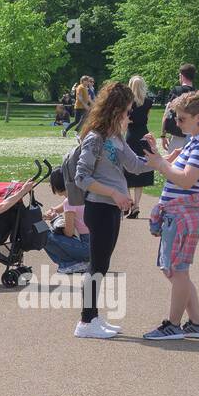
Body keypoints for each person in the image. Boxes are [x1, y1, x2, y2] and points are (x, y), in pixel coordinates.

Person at [71, 81, 155, 339]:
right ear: (116, 109)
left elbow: (136, 166)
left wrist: (162, 159)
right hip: (100, 207)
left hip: (111, 209)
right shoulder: (95, 138)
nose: (130, 116)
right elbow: (81, 177)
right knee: (97, 265)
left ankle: (93, 317)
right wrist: (115, 193)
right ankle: (86, 322)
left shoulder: (115, 137)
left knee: (101, 265)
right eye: (128, 110)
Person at [140, 91, 199, 340]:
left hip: (183, 215)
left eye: (182, 119)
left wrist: (160, 164)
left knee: (176, 271)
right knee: (176, 271)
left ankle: (174, 324)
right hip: (178, 214)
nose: (178, 123)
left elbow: (187, 180)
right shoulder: (196, 140)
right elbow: (177, 171)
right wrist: (159, 158)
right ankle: (196, 323)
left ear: (198, 117)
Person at [42, 169, 91, 274]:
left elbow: (68, 233)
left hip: (87, 248)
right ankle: (78, 263)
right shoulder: (81, 193)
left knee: (43, 235)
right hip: (99, 245)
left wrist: (56, 219)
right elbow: (59, 208)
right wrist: (50, 213)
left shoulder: (69, 202)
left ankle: (71, 264)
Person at [124, 76, 155, 218]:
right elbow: (145, 119)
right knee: (140, 170)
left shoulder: (127, 102)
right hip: (143, 135)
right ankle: (136, 205)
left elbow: (127, 119)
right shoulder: (148, 102)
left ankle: (128, 202)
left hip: (131, 136)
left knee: (127, 168)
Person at [160, 63, 197, 154]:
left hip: (178, 136)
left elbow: (167, 114)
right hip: (193, 136)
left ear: (182, 76)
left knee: (173, 164)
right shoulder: (197, 94)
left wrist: (163, 135)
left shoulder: (176, 91)